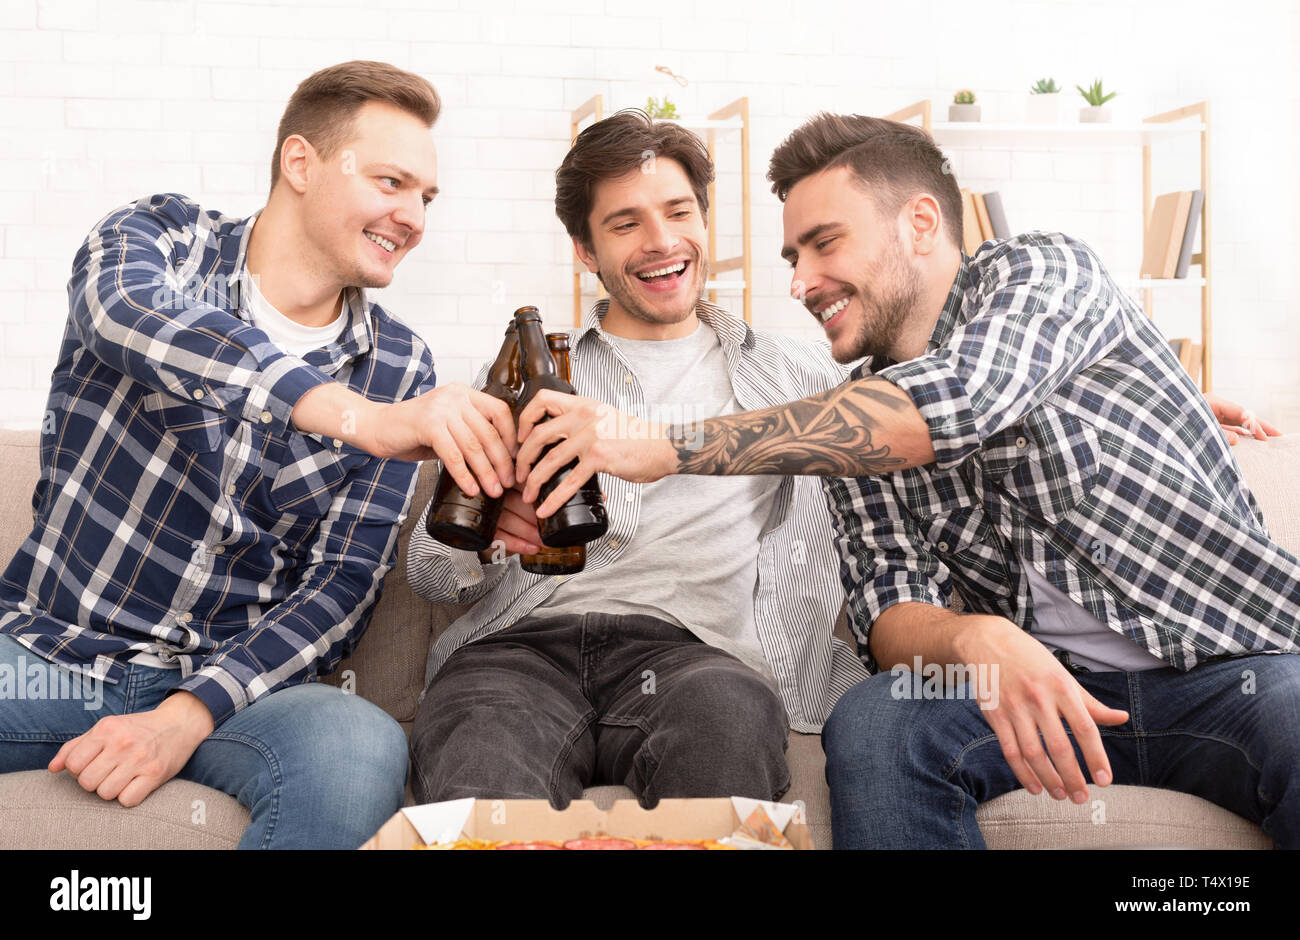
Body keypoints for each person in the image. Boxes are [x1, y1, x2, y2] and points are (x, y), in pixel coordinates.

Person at [512, 112, 1299, 848]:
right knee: (880, 721)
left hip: (1230, 667)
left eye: (825, 244)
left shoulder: (1044, 272)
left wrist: (667, 445)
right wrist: (975, 637)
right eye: (794, 257)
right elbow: (889, 614)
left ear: (920, 224)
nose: (802, 280)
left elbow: (954, 401)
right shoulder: (852, 414)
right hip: (1025, 693)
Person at [0, 60, 516, 849]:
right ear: (301, 163)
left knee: (358, 748)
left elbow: (340, 585)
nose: (413, 215)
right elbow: (125, 315)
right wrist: (359, 421)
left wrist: (186, 714)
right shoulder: (161, 238)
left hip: (234, 696)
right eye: (391, 182)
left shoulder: (399, 363)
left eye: (426, 196)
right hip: (49, 655)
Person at [405, 110, 867, 808]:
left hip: (696, 657)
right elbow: (429, 571)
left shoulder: (799, 376)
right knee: (482, 779)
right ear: (586, 252)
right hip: (517, 654)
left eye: (679, 211)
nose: (661, 242)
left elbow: (916, 418)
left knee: (724, 740)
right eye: (625, 224)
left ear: (705, 222)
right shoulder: (526, 372)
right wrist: (489, 539)